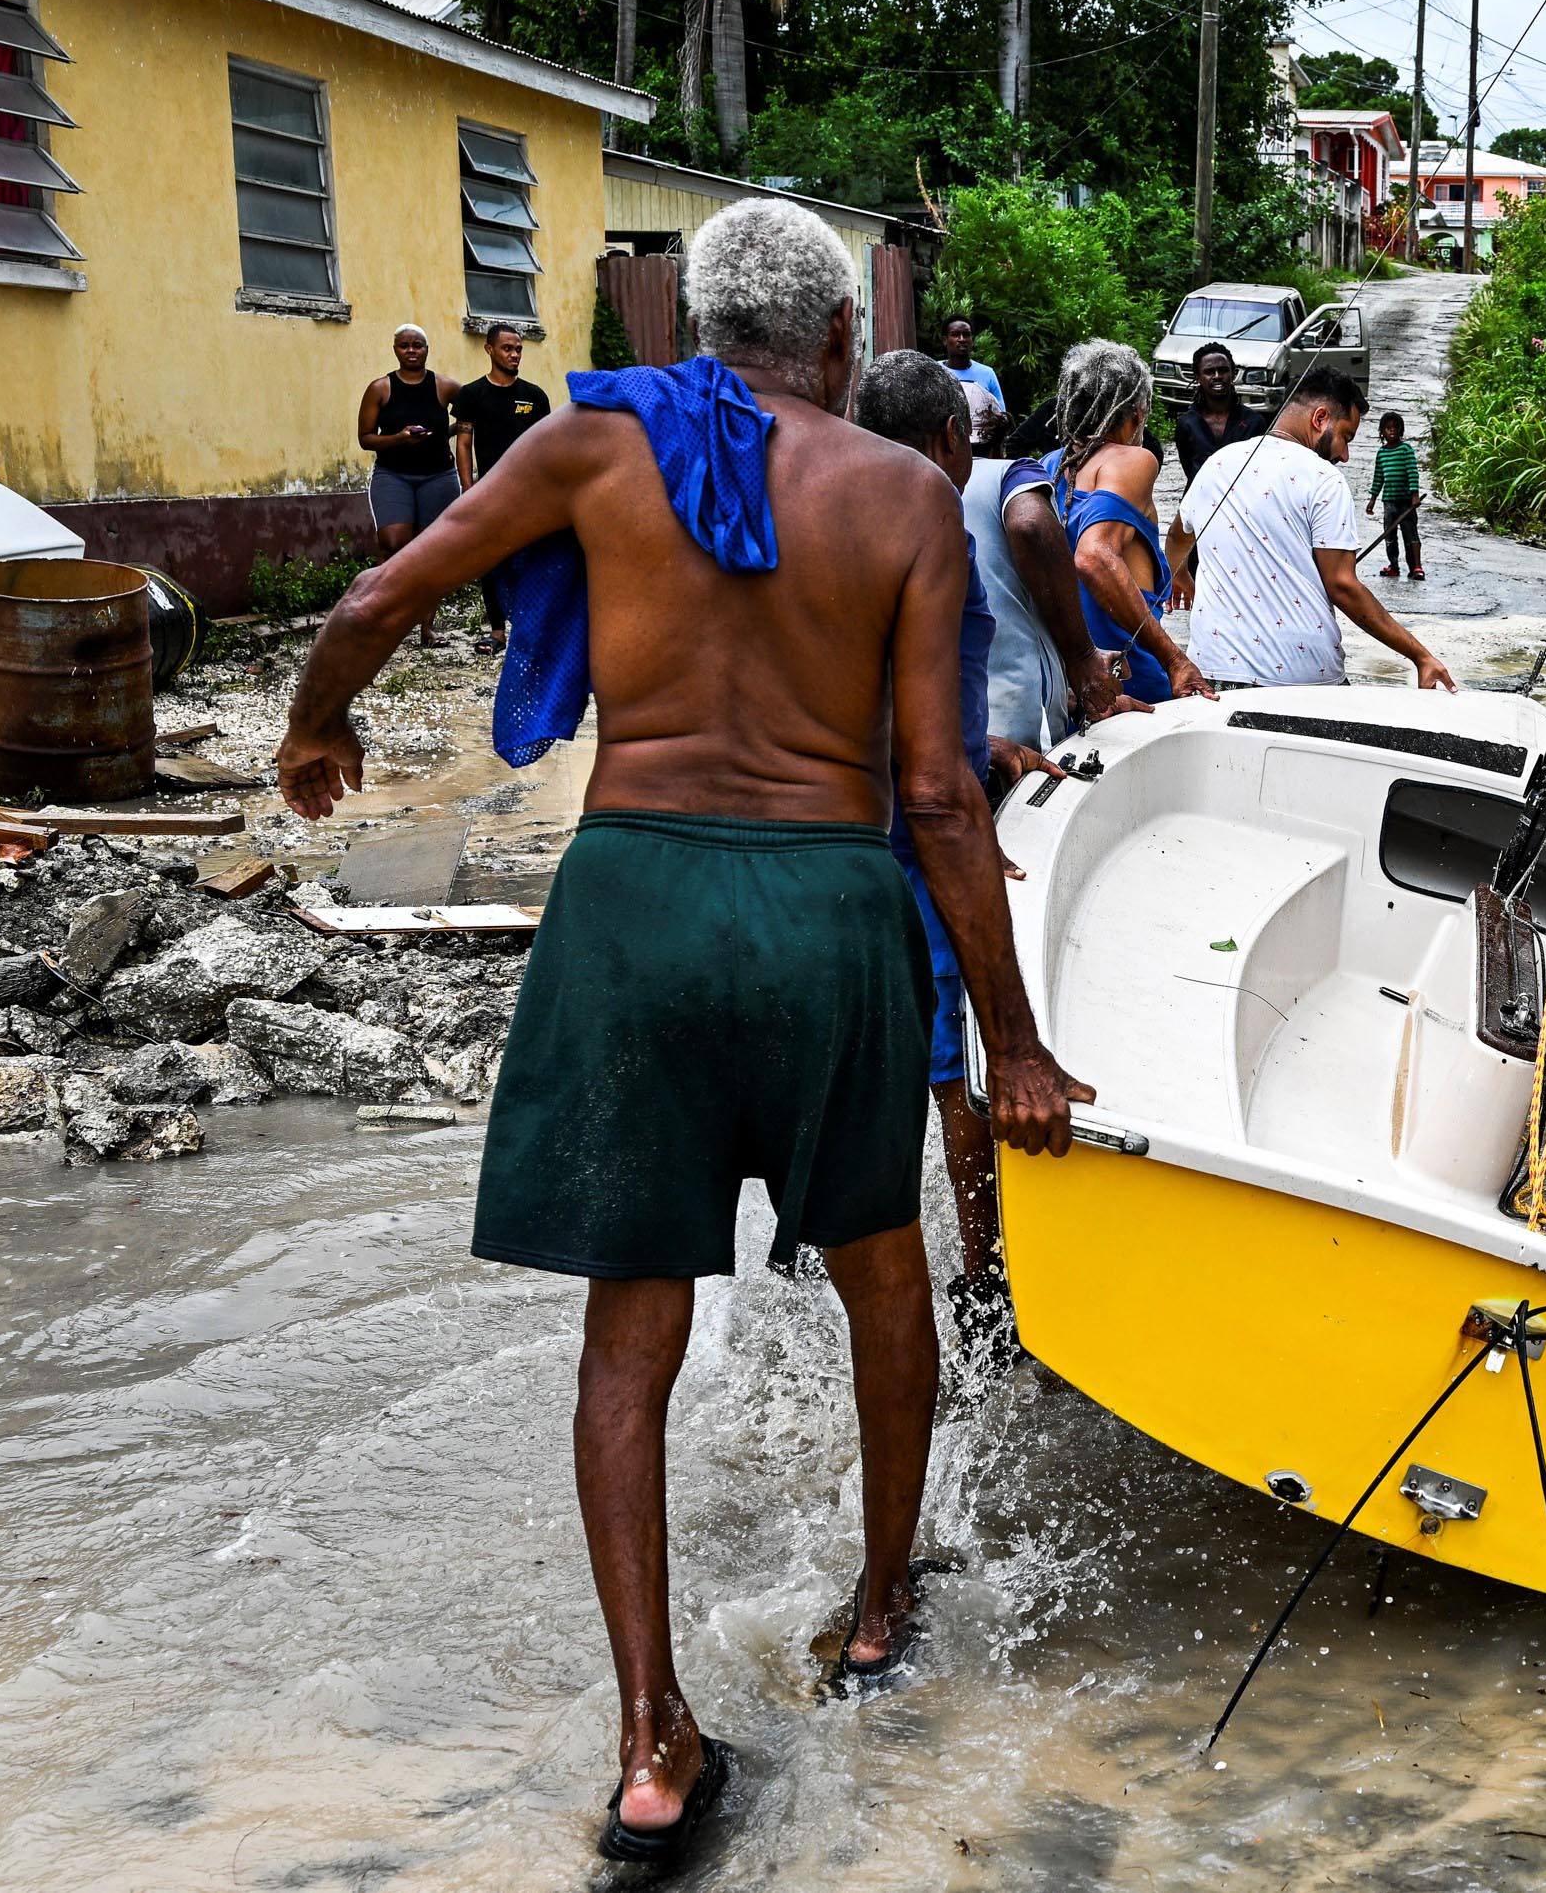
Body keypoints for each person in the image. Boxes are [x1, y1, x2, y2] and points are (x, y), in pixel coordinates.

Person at [273, 200, 1083, 1862]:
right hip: (828, 906)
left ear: (692, 331)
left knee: (627, 1334)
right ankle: (872, 1609)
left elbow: (373, 596)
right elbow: (936, 791)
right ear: (845, 342)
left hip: (634, 902)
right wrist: (1013, 1042)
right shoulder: (905, 491)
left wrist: (313, 726)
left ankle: (649, 1743)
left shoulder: (590, 444)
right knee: (880, 1272)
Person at [858, 348, 1064, 1347]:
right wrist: (972, 824)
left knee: (869, 1051)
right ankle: (981, 1275)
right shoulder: (930, 520)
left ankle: (836, 1246)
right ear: (951, 441)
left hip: (841, 832)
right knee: (962, 1065)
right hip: (916, 832)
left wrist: (990, 743)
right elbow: (930, 779)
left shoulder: (831, 511)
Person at [1170, 367, 1456, 692]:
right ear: (1320, 418)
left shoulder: (1218, 462)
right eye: (1346, 437)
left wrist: (1180, 576)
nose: (1345, 456)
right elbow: (1342, 585)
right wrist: (1420, 655)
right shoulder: (1324, 479)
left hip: (1210, 671)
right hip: (1300, 679)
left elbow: (1179, 535)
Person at [1052, 338, 1213, 705]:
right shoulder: (1132, 460)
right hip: (1131, 680)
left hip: (1070, 688)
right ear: (1137, 414)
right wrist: (1174, 659)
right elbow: (1093, 558)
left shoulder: (1050, 467)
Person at [970, 399, 1137, 750]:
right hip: (1015, 719)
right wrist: (1082, 658)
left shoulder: (897, 488)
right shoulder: (1009, 474)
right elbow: (1031, 525)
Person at [448, 321, 551, 654]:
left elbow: (546, 446)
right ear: (489, 349)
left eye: (518, 348)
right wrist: (469, 489)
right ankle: (496, 633)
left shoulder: (534, 397)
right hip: (489, 492)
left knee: (532, 561)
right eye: (507, 348)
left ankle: (529, 630)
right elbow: (464, 444)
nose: (514, 354)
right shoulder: (472, 395)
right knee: (491, 562)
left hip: (530, 495)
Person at [355, 323, 461, 646]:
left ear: (427, 350)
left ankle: (427, 629)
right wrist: (399, 439)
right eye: (405, 345)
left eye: (418, 345)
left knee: (433, 551)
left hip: (439, 476)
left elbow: (475, 409)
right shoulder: (381, 388)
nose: (411, 350)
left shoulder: (443, 387)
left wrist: (448, 432)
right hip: (394, 475)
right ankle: (376, 618)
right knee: (393, 542)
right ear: (395, 349)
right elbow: (365, 438)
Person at [1168, 340, 1270, 481]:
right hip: (1200, 499)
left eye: (1223, 370)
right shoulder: (1187, 424)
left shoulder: (1253, 422)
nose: (1217, 376)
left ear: (1233, 374)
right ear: (1198, 378)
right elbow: (1190, 470)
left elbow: (1259, 471)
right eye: (1209, 372)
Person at [1365, 408, 1426, 581]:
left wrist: (1415, 495)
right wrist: (1372, 499)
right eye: (1388, 428)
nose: (1392, 431)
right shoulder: (1382, 453)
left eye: (1395, 428)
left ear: (1400, 430)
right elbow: (1378, 478)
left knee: (1410, 534)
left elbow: (1412, 473)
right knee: (1390, 536)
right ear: (1382, 432)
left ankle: (1416, 567)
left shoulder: (1405, 450)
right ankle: (1393, 565)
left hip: (1406, 501)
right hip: (1389, 502)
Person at [938, 316, 1007, 431]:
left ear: (972, 339)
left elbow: (1000, 414)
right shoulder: (935, 371)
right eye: (955, 334)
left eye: (966, 334)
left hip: (981, 441)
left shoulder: (987, 373)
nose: (961, 339)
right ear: (945, 340)